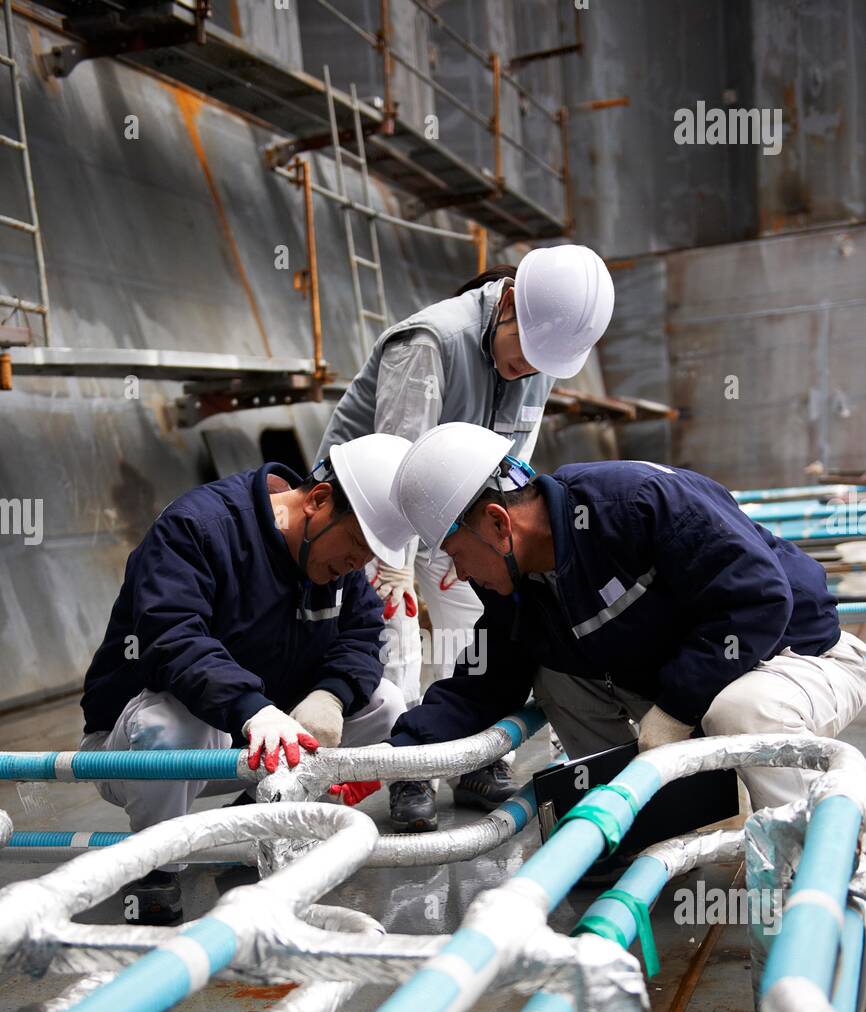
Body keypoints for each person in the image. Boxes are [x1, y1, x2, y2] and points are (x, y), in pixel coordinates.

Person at [351, 422, 866, 819]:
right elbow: (486, 682)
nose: (459, 574)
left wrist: (677, 707)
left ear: (497, 524)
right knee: (555, 676)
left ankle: (808, 858)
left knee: (741, 709)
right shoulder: (525, 582)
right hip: (702, 689)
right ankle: (656, 821)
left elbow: (759, 602)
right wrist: (405, 753)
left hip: (801, 657)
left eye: (456, 553)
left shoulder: (635, 503)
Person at [317, 243, 615, 833]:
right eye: (524, 352)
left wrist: (492, 549)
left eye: (542, 362)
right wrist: (396, 570)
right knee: (395, 638)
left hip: (455, 512)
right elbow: (394, 466)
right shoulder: (429, 343)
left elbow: (511, 461)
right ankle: (406, 769)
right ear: (509, 304)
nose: (528, 369)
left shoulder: (541, 358)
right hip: (372, 514)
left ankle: (471, 757)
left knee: (480, 625)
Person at [80, 434, 414, 923]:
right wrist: (252, 708)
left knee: (384, 703)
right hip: (137, 749)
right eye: (357, 547)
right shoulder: (198, 528)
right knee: (171, 725)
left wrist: (330, 694)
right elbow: (174, 638)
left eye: (368, 557)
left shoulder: (334, 560)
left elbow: (363, 633)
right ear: (318, 501)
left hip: (250, 747)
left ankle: (256, 814)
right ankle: (156, 866)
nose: (356, 565)